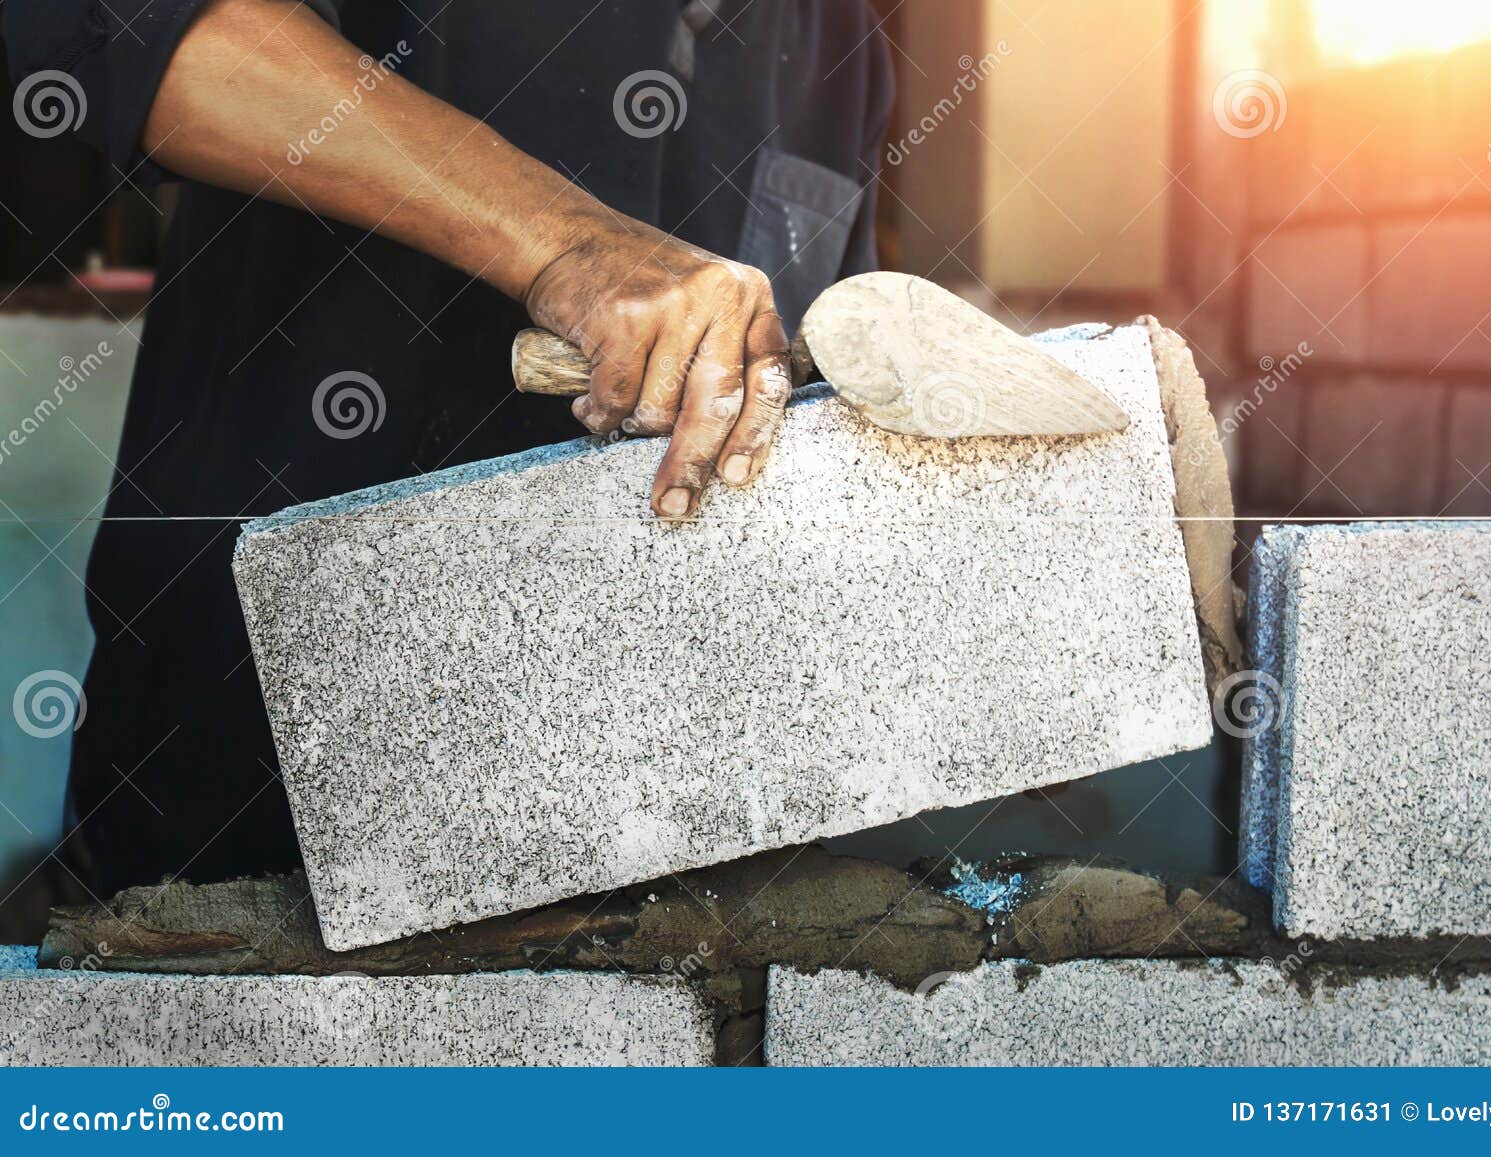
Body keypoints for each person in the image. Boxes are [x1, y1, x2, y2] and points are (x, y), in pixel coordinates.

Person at [4, 0, 892, 896]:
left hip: (631, 845)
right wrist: (568, 245)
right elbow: (145, 39)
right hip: (244, 803)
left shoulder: (843, 44)